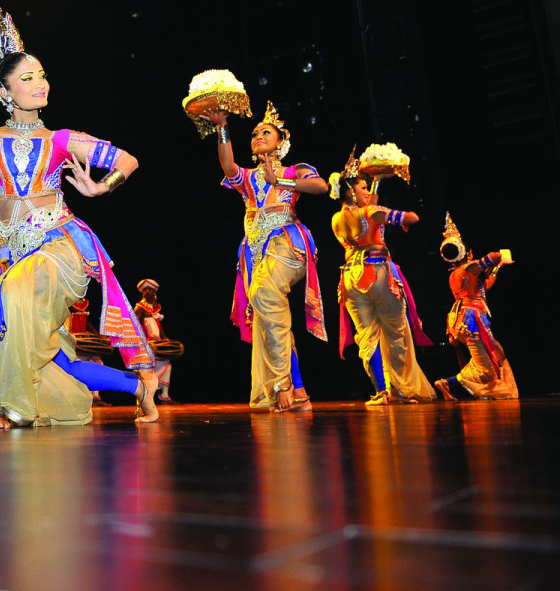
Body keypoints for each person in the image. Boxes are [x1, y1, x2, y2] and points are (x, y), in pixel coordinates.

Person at [0, 0, 159, 429]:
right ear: (3, 90)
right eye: (27, 78)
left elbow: (129, 159)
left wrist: (101, 187)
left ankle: (8, 406)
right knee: (48, 354)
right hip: (15, 253)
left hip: (60, 242)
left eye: (42, 74)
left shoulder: (60, 139)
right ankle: (139, 385)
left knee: (18, 302)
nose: (40, 83)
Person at [201, 100, 328, 411]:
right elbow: (228, 167)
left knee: (265, 297)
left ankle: (283, 383)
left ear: (280, 142)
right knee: (269, 315)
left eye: (266, 132)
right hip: (256, 252)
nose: (258, 135)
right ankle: (297, 391)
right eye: (255, 133)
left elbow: (321, 187)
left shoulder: (293, 170)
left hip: (288, 242)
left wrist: (280, 181)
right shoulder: (247, 178)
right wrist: (221, 128)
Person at [328, 154, 435, 405]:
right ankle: (398, 389)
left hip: (351, 280)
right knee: (395, 332)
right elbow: (411, 218)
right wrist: (397, 215)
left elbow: (368, 211)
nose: (367, 192)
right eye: (363, 188)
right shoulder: (372, 213)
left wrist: (377, 181)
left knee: (367, 336)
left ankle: (380, 392)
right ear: (351, 192)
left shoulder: (336, 219)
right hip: (377, 274)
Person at [435, 213, 518, 400]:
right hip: (472, 321)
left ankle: (452, 383)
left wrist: (497, 267)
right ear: (467, 252)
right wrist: (500, 257)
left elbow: (484, 286)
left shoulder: (455, 274)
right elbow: (493, 256)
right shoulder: (469, 268)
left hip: (463, 320)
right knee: (487, 369)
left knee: (493, 355)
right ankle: (447, 382)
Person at [134, 279, 183, 403]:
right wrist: (140, 341)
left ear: (154, 291)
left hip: (157, 343)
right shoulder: (140, 307)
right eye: (144, 289)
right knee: (146, 371)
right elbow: (134, 325)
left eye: (149, 289)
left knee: (167, 366)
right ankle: (143, 398)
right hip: (146, 344)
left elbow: (157, 325)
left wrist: (165, 338)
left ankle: (164, 396)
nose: (146, 291)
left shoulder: (155, 307)